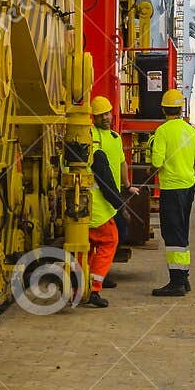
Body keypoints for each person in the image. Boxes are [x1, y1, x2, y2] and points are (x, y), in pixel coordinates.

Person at [83, 95, 135, 308]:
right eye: (101, 114)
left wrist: (127, 185)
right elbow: (101, 175)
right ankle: (93, 285)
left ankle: (93, 279)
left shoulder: (115, 137)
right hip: (99, 202)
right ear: (93, 117)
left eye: (107, 113)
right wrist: (118, 202)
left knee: (104, 241)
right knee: (110, 239)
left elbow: (122, 163)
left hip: (109, 199)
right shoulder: (90, 137)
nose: (106, 117)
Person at [149, 88, 195, 297]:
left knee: (172, 233)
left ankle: (177, 282)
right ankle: (184, 276)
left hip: (171, 188)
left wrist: (153, 146)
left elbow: (156, 162)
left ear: (163, 109)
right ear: (181, 109)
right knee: (182, 230)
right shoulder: (190, 130)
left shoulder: (162, 131)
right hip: (188, 186)